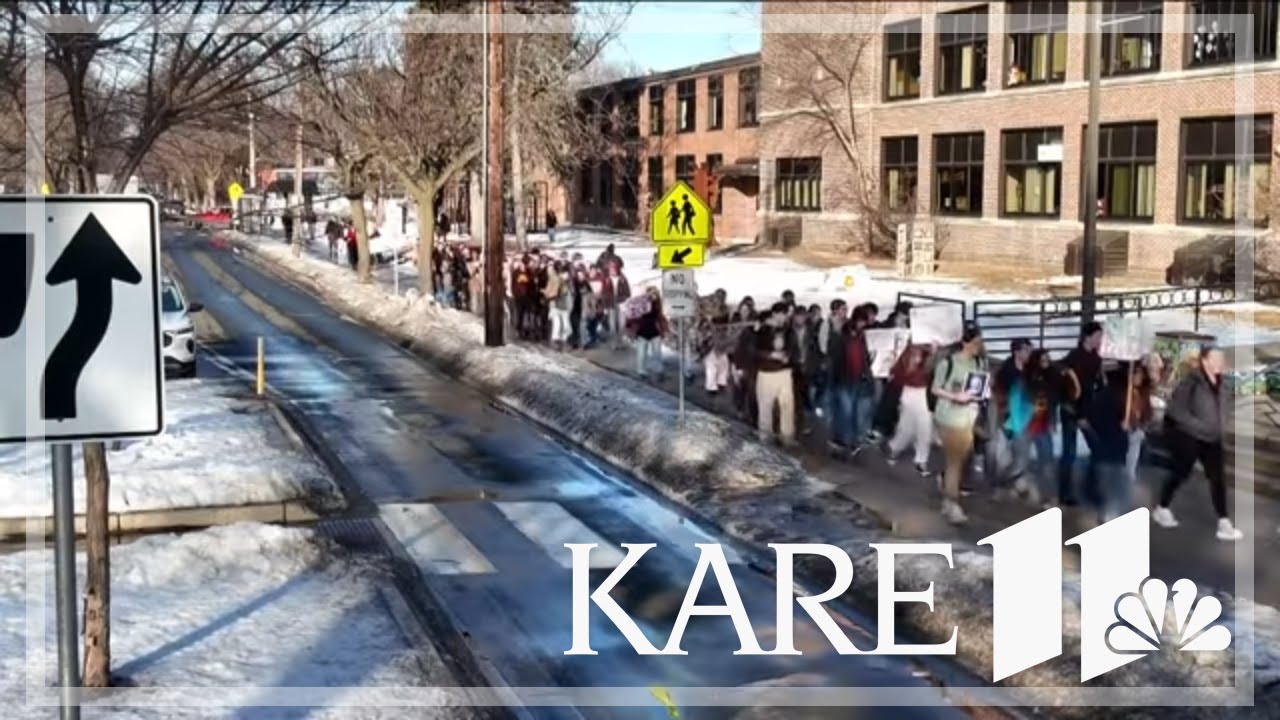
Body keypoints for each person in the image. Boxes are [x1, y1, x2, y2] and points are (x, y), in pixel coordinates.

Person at [1152, 346, 1242, 541]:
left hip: (1213, 438)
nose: (1221, 363)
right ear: (1204, 361)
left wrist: (1222, 423)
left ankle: (1224, 522)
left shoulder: (1224, 383)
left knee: (1218, 479)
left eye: (1222, 359)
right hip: (1191, 436)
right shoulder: (1191, 382)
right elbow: (1176, 409)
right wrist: (1197, 424)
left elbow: (1226, 406)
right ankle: (1162, 507)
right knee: (1181, 472)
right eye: (1216, 359)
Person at [931, 324, 986, 525]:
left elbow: (979, 385)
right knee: (955, 462)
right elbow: (935, 389)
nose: (979, 346)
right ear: (965, 342)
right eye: (975, 342)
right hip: (949, 418)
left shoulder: (978, 364)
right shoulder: (948, 363)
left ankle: (946, 487)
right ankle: (951, 503)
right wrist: (955, 395)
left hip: (968, 418)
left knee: (959, 460)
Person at [1059, 322, 1105, 507]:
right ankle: (1066, 492)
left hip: (1087, 411)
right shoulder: (1074, 358)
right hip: (1072, 411)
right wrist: (1078, 415)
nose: (1101, 340)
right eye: (1098, 336)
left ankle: (1090, 488)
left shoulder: (1096, 358)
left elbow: (1095, 386)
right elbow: (1070, 388)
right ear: (1088, 337)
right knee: (1069, 453)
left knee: (1098, 450)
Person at [827, 305, 875, 456]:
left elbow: (864, 358)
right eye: (861, 322)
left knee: (854, 412)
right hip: (844, 380)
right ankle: (843, 441)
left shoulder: (862, 337)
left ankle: (849, 440)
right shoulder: (843, 336)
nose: (863, 325)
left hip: (857, 379)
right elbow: (835, 358)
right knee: (845, 412)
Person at [885, 343, 934, 476]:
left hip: (923, 393)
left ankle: (921, 460)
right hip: (910, 393)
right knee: (906, 427)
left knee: (925, 428)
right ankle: (895, 448)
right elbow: (896, 374)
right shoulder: (907, 355)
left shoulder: (929, 355)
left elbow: (933, 373)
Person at [754, 303, 799, 446]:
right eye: (781, 314)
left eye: (785, 315)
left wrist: (789, 356)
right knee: (765, 406)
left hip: (784, 372)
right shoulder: (762, 330)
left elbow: (794, 348)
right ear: (774, 314)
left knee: (787, 406)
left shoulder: (788, 330)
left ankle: (787, 436)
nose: (783, 318)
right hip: (767, 372)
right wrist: (771, 354)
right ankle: (765, 437)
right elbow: (754, 350)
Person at [630, 286, 667, 379]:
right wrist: (632, 331)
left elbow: (660, 317)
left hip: (655, 331)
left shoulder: (658, 304)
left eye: (654, 293)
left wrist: (663, 329)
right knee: (642, 353)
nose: (652, 296)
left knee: (657, 353)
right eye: (651, 293)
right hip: (642, 331)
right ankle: (641, 370)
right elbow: (634, 316)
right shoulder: (641, 303)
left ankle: (658, 369)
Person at [600, 261, 631, 349]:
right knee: (612, 324)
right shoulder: (606, 279)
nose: (612, 271)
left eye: (613, 269)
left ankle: (620, 341)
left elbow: (628, 292)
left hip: (621, 303)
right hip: (611, 304)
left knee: (622, 323)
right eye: (610, 269)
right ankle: (614, 343)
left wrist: (625, 301)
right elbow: (604, 293)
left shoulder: (623, 279)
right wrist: (605, 306)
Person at [544, 262, 573, 350]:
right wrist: (551, 307)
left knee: (564, 326)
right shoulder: (557, 281)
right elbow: (553, 294)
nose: (566, 275)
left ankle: (561, 342)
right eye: (564, 274)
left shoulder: (567, 283)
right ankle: (557, 343)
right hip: (557, 306)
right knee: (559, 325)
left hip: (564, 307)